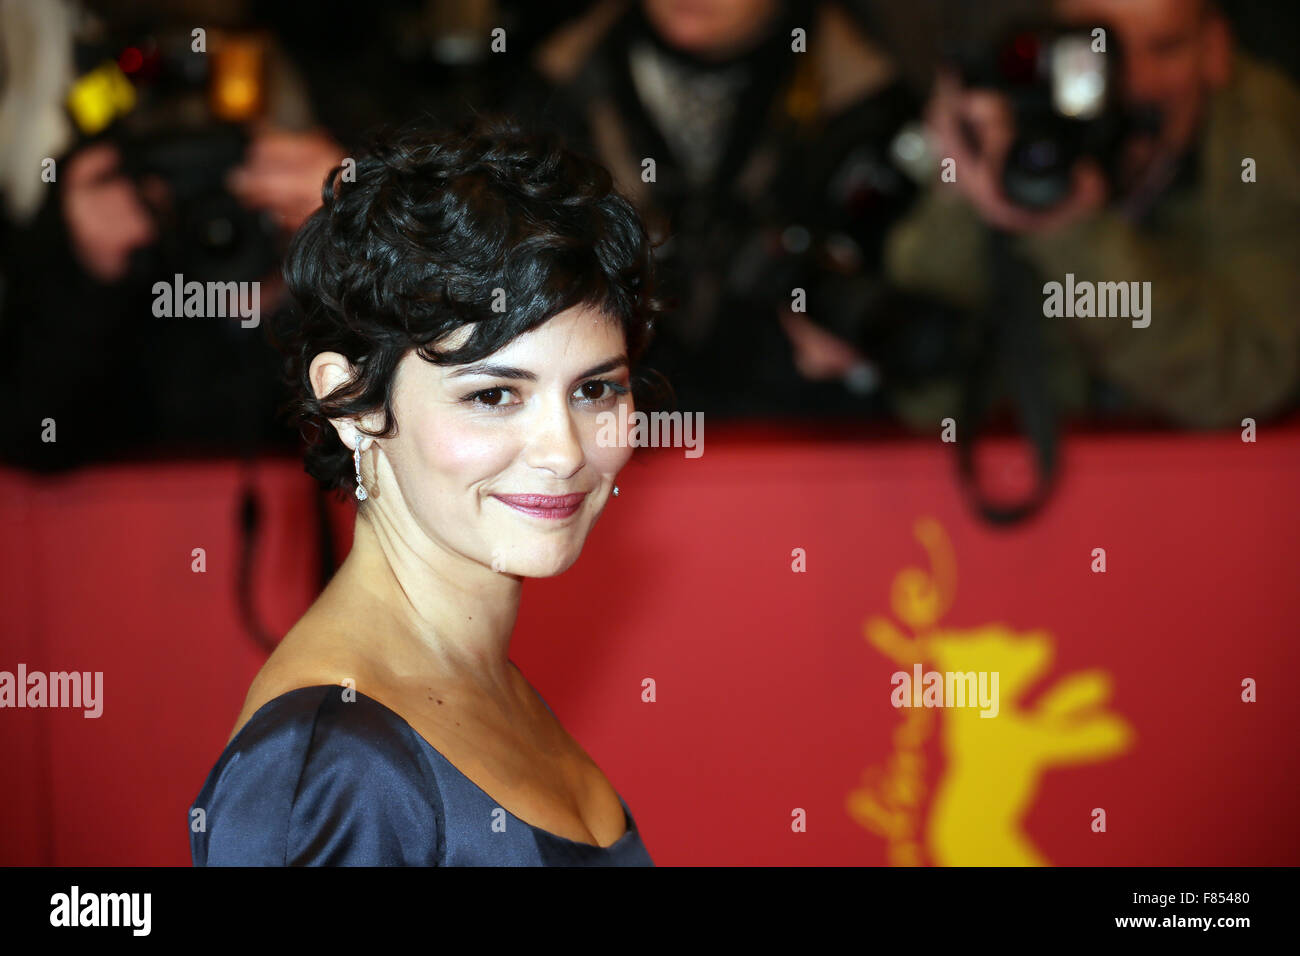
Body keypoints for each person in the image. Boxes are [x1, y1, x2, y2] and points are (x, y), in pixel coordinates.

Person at [189, 116, 662, 865]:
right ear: (355, 403)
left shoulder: (480, 682)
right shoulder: (337, 761)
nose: (564, 453)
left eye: (595, 389)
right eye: (493, 396)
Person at [884, 0, 1300, 430]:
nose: (1134, 83)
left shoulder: (1260, 141)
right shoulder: (1014, 115)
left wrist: (1074, 236)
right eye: (1096, 51)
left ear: (1215, 50)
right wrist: (962, 189)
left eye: (1165, 48)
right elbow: (933, 405)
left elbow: (1243, 385)